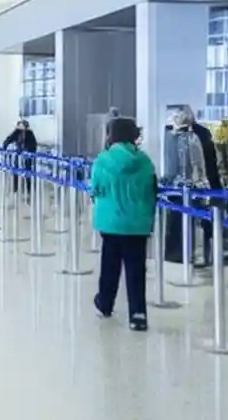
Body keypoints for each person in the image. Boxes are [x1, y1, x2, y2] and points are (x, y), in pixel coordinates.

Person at [89, 117, 156, 332]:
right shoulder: (145, 161)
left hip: (110, 222)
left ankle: (105, 303)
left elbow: (96, 188)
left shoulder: (103, 160)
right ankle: (138, 314)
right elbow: (151, 189)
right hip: (137, 224)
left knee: (110, 264)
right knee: (136, 269)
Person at [3, 119, 39, 196]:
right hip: (18, 155)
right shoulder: (16, 132)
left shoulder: (30, 134)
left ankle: (29, 189)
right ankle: (15, 188)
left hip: (27, 157)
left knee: (28, 173)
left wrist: (27, 150)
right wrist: (5, 145)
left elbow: (33, 145)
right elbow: (8, 139)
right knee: (16, 171)